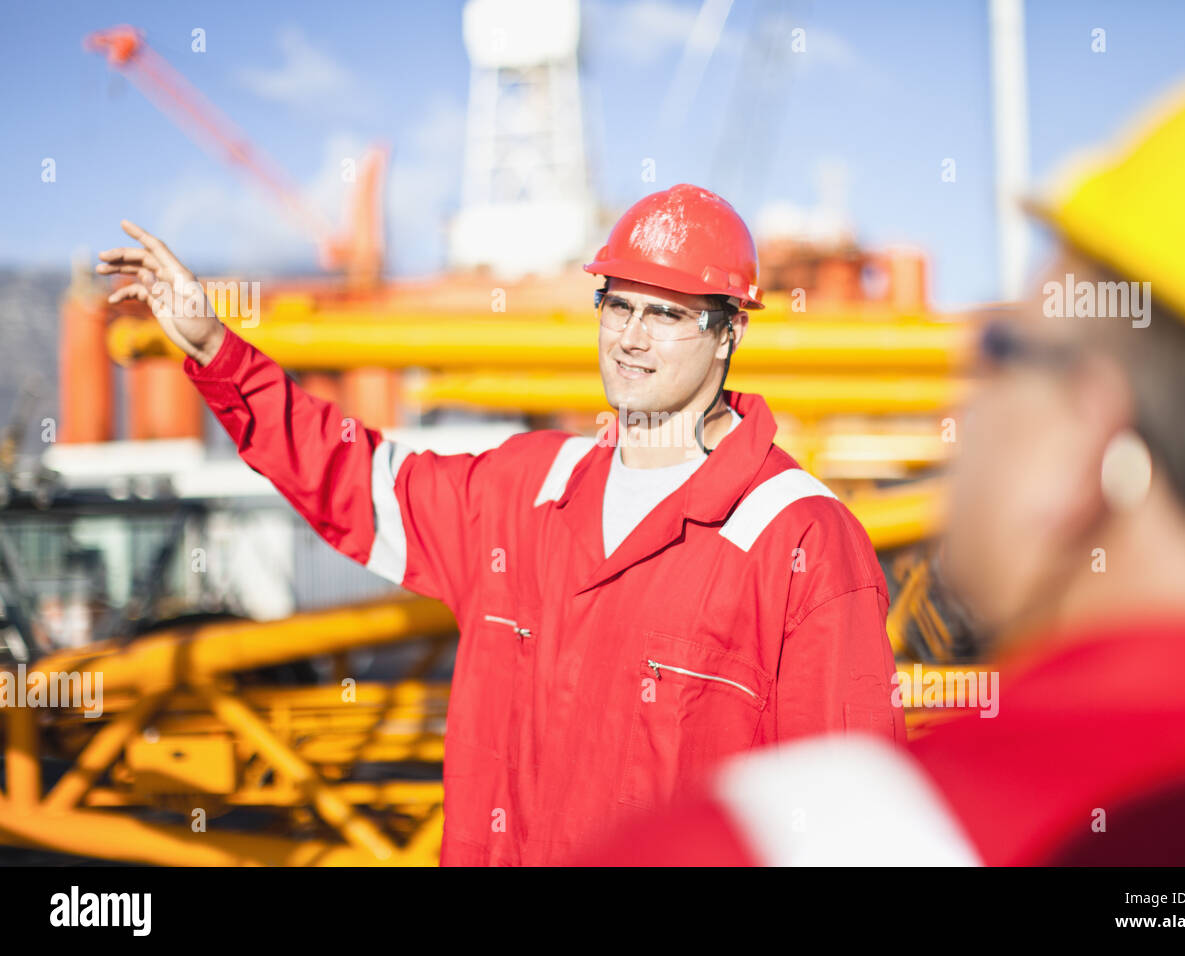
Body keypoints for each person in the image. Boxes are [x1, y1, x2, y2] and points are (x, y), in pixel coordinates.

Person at [575, 47, 1185, 866]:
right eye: (620, 308)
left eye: (1000, 348)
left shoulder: (765, 843)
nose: (962, 399)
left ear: (1088, 440)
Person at [95, 183, 904, 865]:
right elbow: (349, 476)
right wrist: (215, 350)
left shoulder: (799, 540)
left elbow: (851, 827)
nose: (630, 338)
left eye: (665, 314)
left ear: (730, 332)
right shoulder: (526, 492)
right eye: (618, 305)